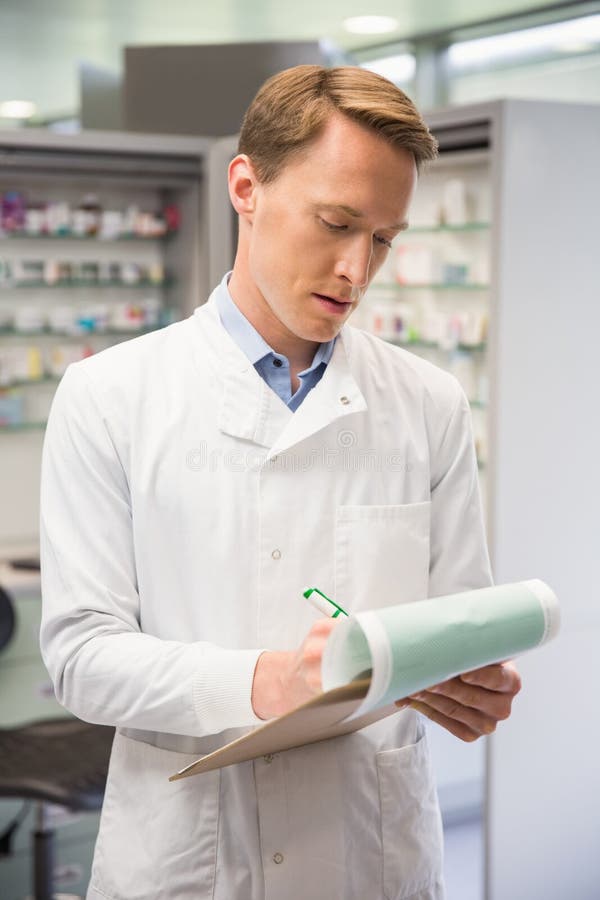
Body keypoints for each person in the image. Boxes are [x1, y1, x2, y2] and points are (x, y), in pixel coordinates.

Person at [40, 65, 521, 900]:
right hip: (190, 859)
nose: (356, 269)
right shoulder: (109, 395)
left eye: (383, 239)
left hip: (369, 851)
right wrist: (270, 683)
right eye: (336, 222)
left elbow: (455, 618)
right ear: (246, 188)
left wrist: (468, 682)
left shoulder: (428, 402)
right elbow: (83, 658)